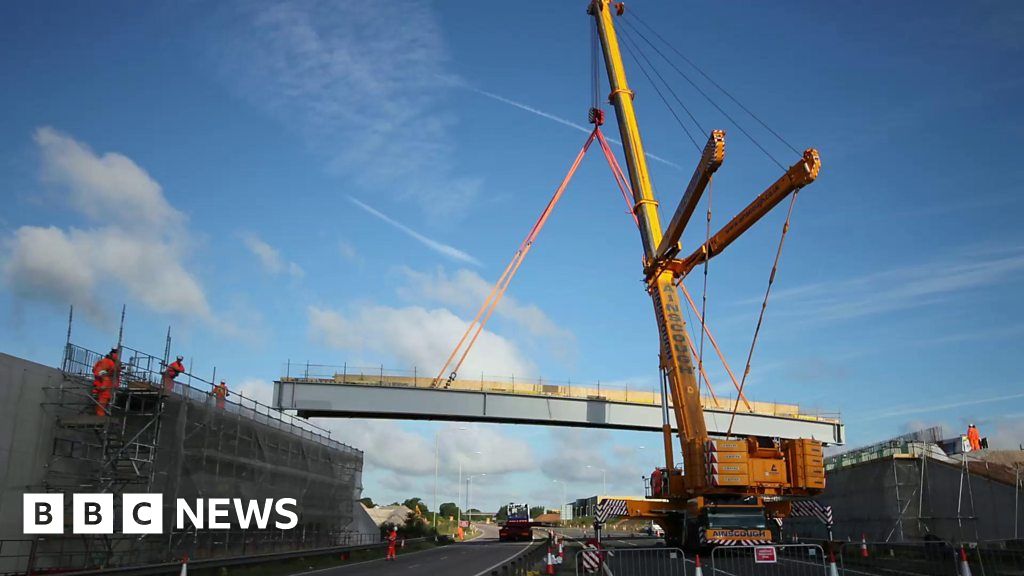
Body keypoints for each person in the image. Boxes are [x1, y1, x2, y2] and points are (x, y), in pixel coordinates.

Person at [91, 348, 120, 416]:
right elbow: (102, 373)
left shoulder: (105, 361)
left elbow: (95, 370)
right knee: (102, 403)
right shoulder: (108, 362)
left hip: (106, 387)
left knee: (104, 403)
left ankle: (101, 415)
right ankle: (100, 416)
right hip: (106, 389)